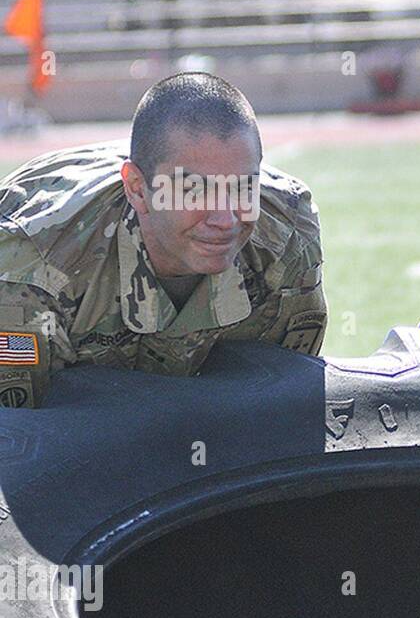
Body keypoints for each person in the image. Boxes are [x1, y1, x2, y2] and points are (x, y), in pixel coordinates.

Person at [0, 72, 327, 409]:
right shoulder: (35, 262)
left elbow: (285, 399)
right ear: (138, 189)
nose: (226, 219)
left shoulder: (286, 232)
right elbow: (16, 433)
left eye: (243, 187)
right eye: (193, 190)